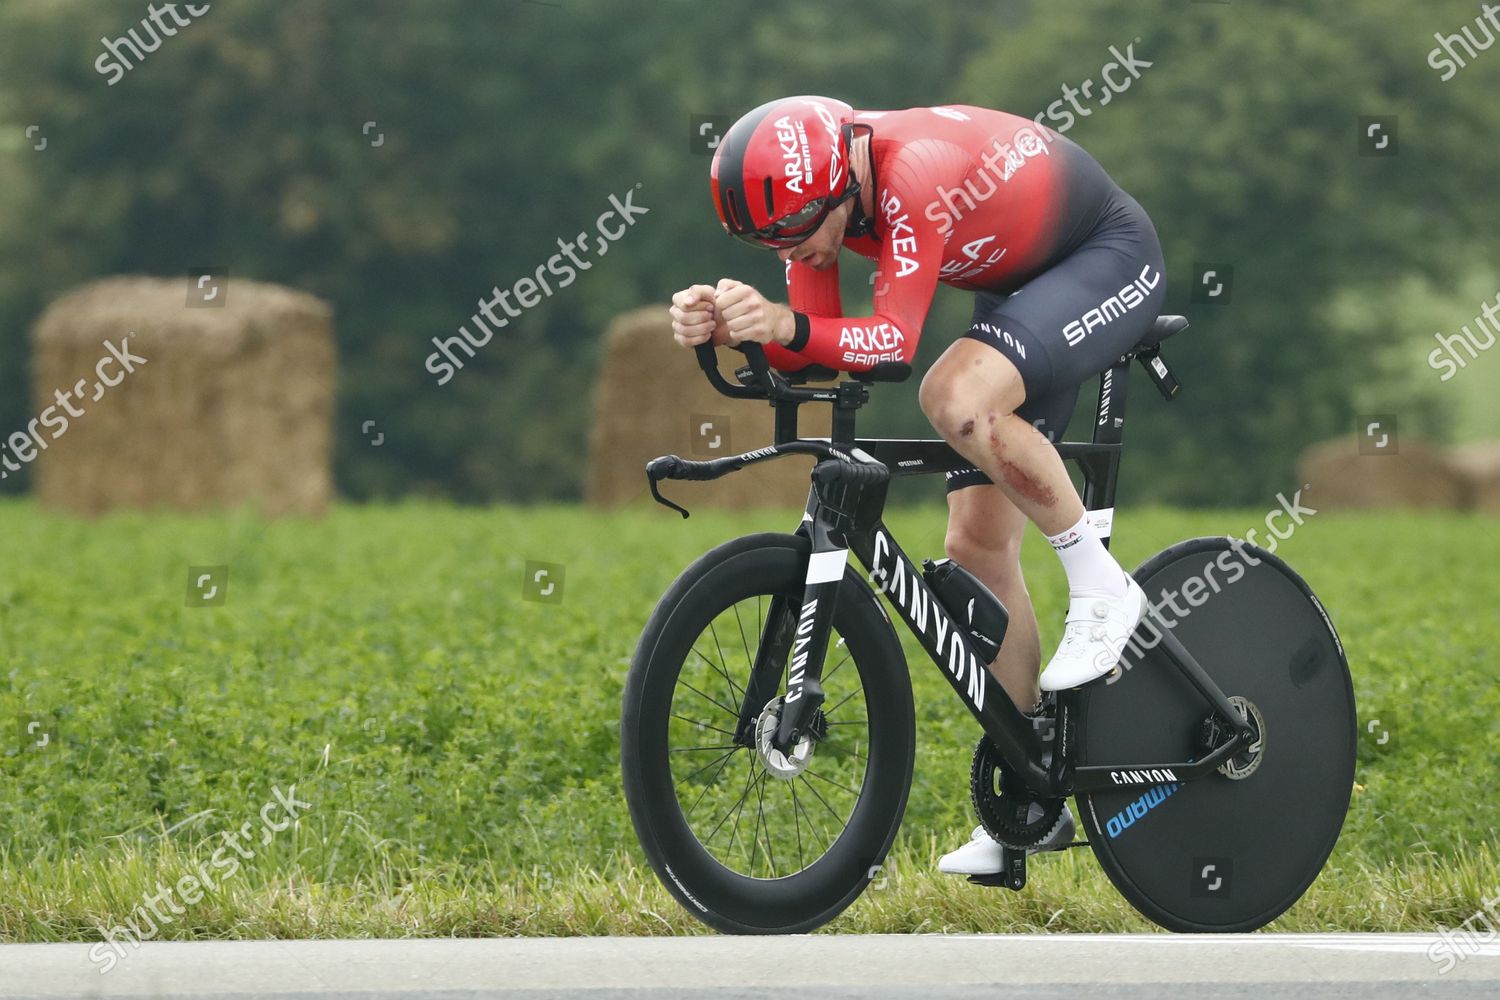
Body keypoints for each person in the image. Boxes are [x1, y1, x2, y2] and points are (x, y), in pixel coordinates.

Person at [668, 96, 1165, 875]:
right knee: (974, 546)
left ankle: (1102, 583)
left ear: (839, 185)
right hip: (1023, 285)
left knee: (953, 397)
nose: (794, 252)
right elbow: (817, 354)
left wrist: (781, 323)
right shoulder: (818, 200)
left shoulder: (913, 171)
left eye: (797, 234)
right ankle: (1028, 801)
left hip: (1104, 257)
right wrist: (739, 329)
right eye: (772, 243)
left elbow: (891, 346)